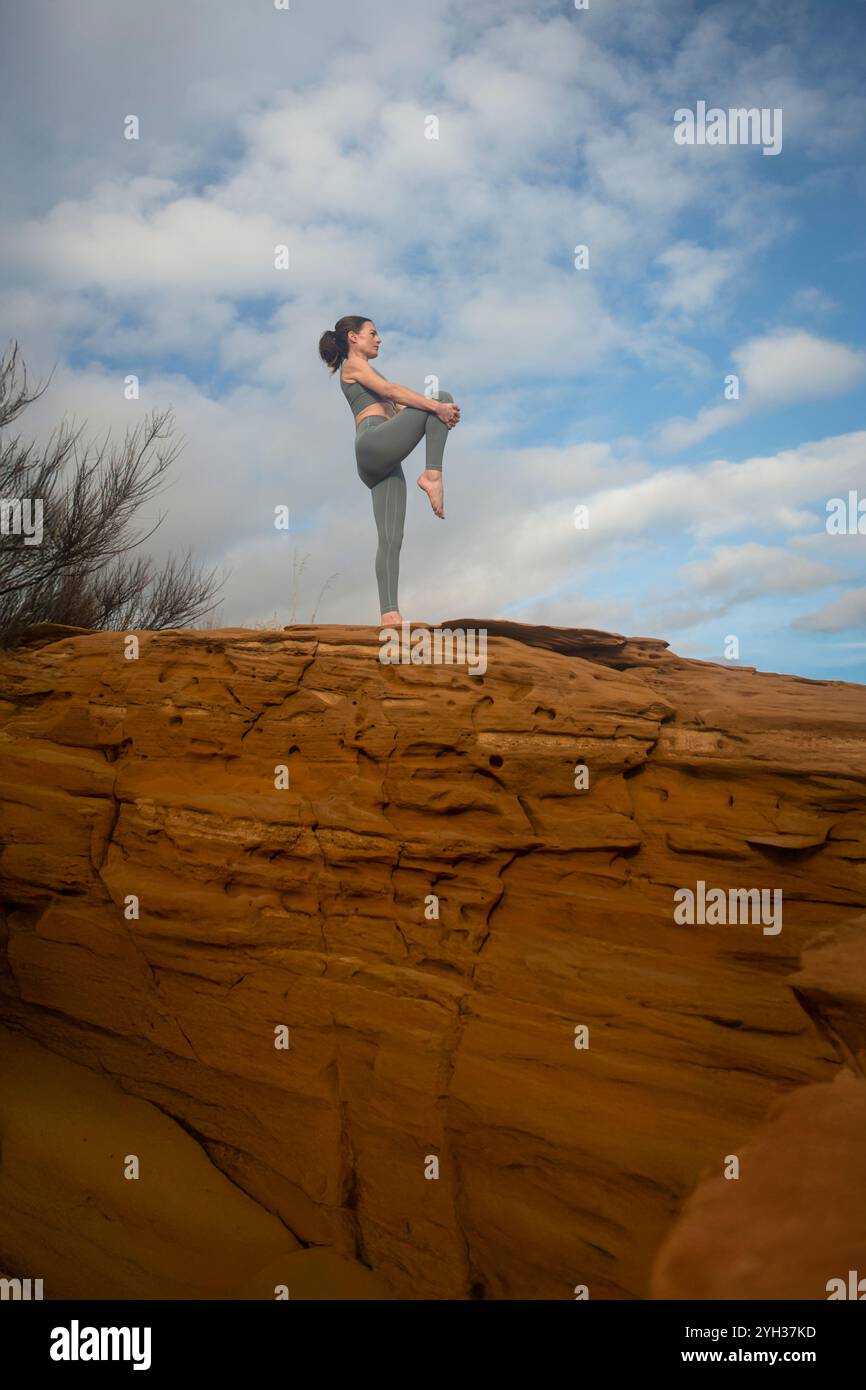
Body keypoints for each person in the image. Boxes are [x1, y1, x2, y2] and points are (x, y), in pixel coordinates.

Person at [318, 316, 460, 626]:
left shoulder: (366, 369)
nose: (379, 339)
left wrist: (434, 418)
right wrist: (436, 408)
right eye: (373, 333)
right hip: (371, 442)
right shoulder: (354, 366)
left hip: (382, 459)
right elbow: (392, 390)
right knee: (442, 398)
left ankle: (389, 614)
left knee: (391, 537)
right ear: (353, 338)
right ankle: (432, 474)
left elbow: (398, 409)